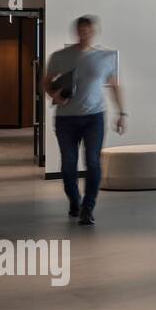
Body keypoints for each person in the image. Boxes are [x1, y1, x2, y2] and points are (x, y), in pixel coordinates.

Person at [42, 16, 126, 226]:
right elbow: (46, 81)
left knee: (93, 162)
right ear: (76, 32)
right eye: (81, 31)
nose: (84, 34)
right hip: (65, 119)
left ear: (93, 32)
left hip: (94, 118)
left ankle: (88, 208)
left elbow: (115, 85)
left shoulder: (105, 57)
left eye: (88, 31)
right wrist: (54, 94)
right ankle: (74, 201)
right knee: (69, 164)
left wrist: (122, 113)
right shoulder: (61, 56)